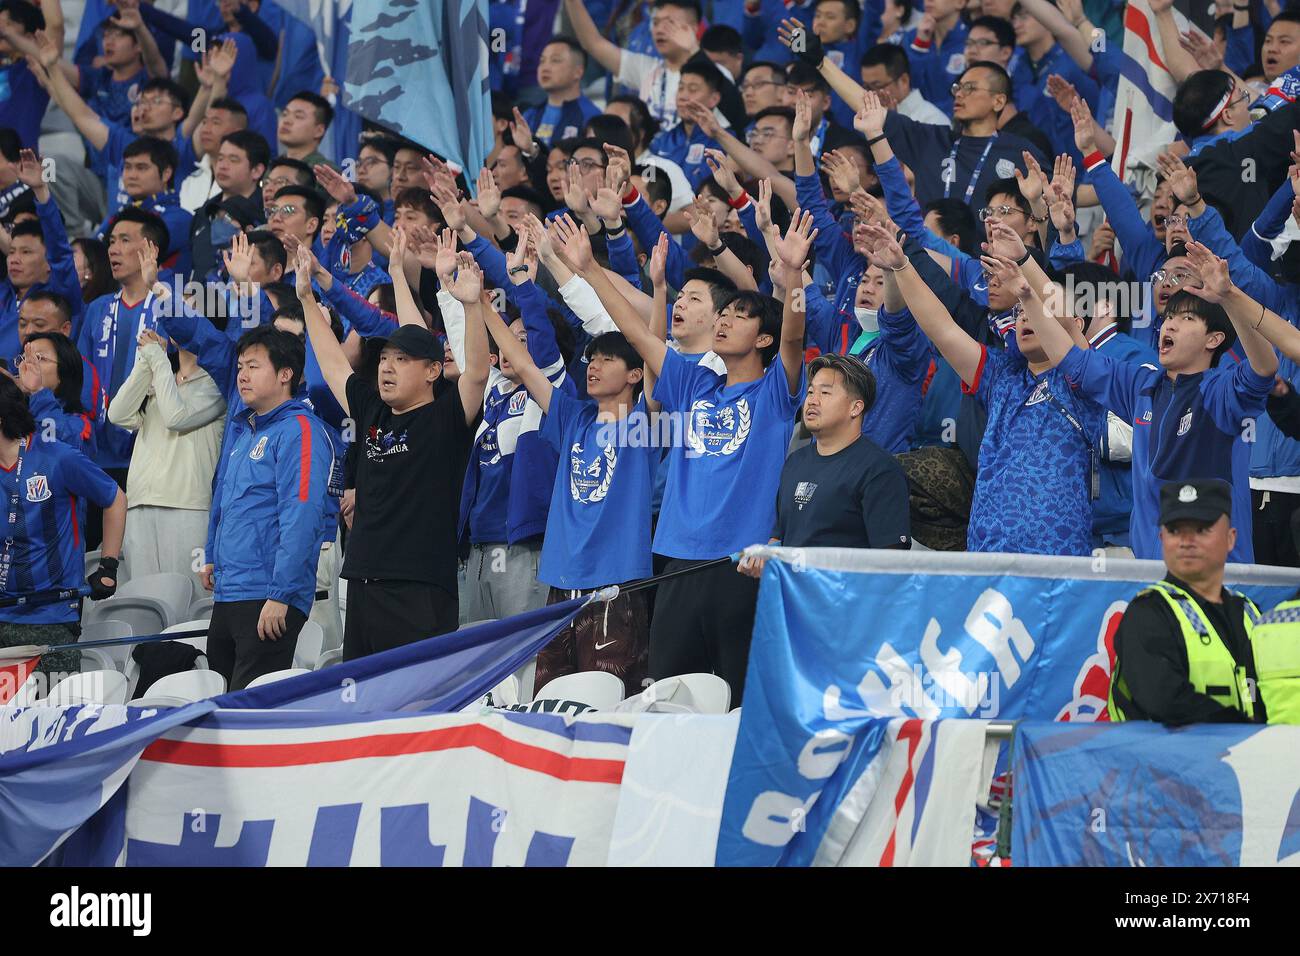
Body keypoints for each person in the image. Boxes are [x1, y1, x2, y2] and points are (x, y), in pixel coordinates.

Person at [553, 210, 810, 703]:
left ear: (762, 339)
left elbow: (794, 336)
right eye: (724, 312)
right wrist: (587, 269)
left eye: (739, 315)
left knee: (735, 698)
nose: (725, 319)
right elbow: (638, 336)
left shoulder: (776, 392)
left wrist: (793, 275)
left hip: (742, 564)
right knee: (669, 697)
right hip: (676, 565)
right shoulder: (694, 382)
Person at [295, 238, 489, 658]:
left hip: (421, 586)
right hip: (363, 580)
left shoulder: (446, 417)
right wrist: (308, 299)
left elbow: (476, 373)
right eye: (385, 358)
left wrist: (473, 306)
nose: (386, 366)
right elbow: (331, 363)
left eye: (401, 360)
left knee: (418, 700)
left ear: (434, 370)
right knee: (365, 701)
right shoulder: (370, 411)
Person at [1049, 241, 1278, 563]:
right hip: (1150, 571)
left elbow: (1264, 368)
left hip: (1220, 575)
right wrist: (1029, 285)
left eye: (1185, 319)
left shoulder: (1222, 392)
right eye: (1169, 317)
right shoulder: (1141, 385)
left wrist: (1229, 297)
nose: (1169, 324)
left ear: (1214, 339)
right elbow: (1069, 355)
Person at [202, 324, 332, 690]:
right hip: (229, 593)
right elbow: (225, 500)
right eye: (240, 366)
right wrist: (212, 554)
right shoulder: (245, 431)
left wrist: (283, 595)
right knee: (220, 706)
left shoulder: (300, 430)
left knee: (249, 715)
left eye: (254, 366)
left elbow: (303, 516)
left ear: (286, 374)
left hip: (267, 596)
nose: (242, 375)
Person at [739, 353, 911, 580]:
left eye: (825, 392)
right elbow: (780, 535)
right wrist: (766, 556)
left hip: (844, 607)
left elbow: (890, 564)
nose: (812, 400)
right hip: (793, 603)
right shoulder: (795, 462)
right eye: (810, 391)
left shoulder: (880, 470)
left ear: (855, 408)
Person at [0, 375, 125, 684]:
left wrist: (108, 565)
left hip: (51, 619)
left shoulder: (56, 457)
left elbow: (115, 499)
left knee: (46, 725)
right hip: (2, 613)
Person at [1108, 479, 1264, 725]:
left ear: (1231, 538)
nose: (1186, 541)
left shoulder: (1250, 612)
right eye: (1174, 530)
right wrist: (1250, 731)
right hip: (1164, 762)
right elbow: (1166, 702)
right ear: (1161, 538)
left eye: (1202, 529)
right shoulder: (1148, 613)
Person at [107, 327, 226, 587]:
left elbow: (177, 417)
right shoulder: (162, 372)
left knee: (190, 603)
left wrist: (158, 359)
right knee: (147, 604)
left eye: (189, 308)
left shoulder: (217, 381)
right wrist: (147, 361)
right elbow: (117, 414)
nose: (177, 319)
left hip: (189, 506)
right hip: (140, 503)